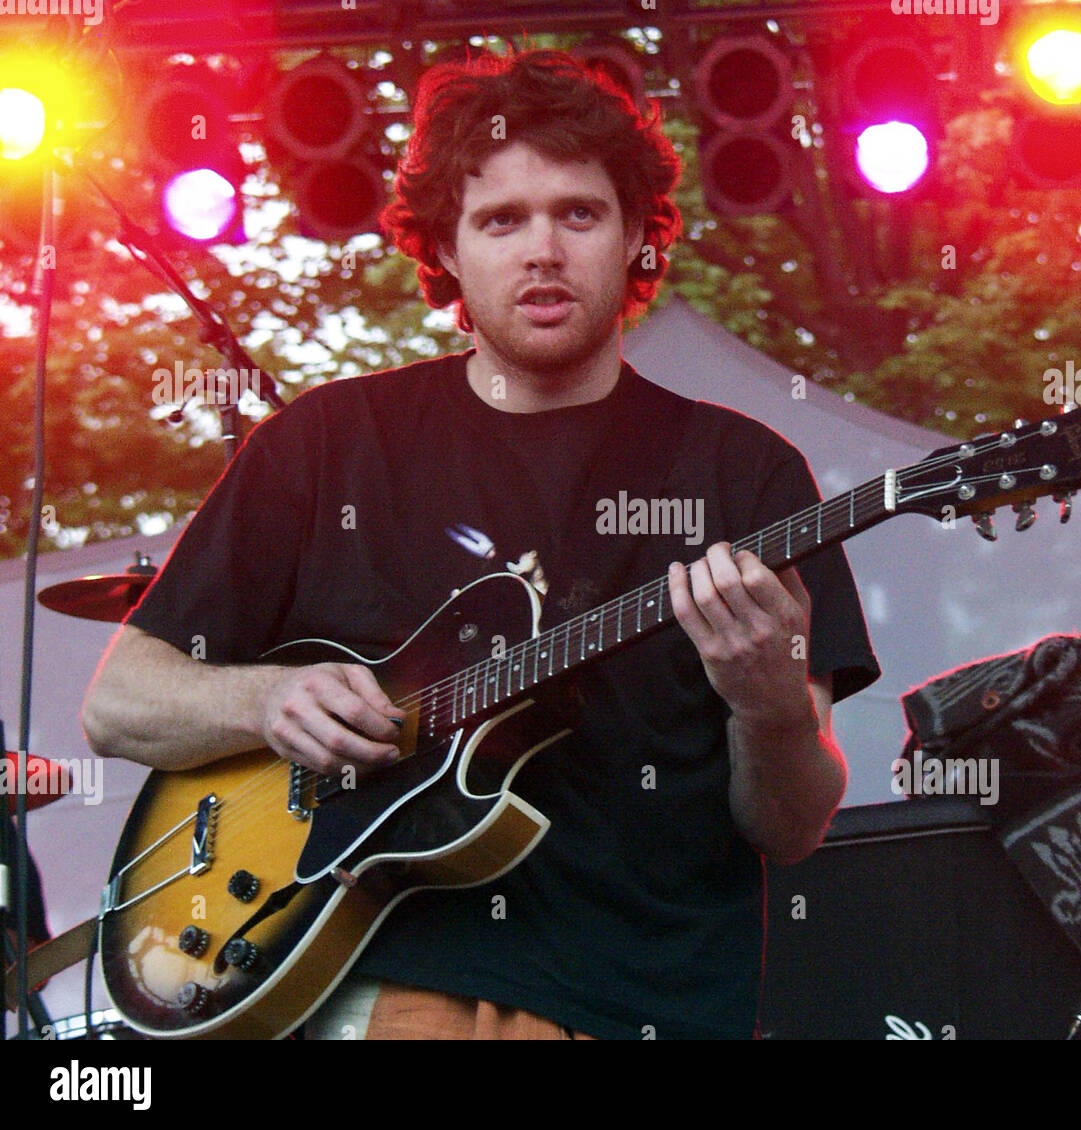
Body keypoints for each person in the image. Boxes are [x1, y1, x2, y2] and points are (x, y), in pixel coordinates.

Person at [81, 47, 879, 1040]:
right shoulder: (329, 443)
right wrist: (264, 697)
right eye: (501, 220)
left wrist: (767, 708)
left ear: (636, 236)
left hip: (645, 1002)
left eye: (578, 214)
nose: (542, 249)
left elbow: (791, 825)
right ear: (446, 251)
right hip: (361, 983)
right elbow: (117, 701)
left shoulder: (744, 473)